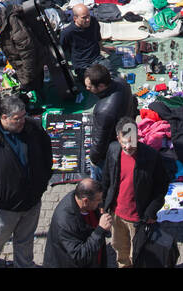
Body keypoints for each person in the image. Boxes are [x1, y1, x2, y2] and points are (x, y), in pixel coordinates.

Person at [0, 93, 54, 268]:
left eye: (23, 116)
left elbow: (47, 150)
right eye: (17, 119)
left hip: (31, 201)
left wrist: (43, 181)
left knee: (26, 238)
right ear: (4, 117)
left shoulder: (33, 128)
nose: (23, 121)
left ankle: (24, 264)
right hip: (4, 208)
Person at [101, 117, 169, 269]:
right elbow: (106, 179)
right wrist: (103, 203)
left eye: (131, 142)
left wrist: (151, 212)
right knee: (120, 251)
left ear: (137, 137)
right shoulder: (113, 150)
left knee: (139, 254)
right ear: (118, 138)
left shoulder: (151, 157)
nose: (127, 147)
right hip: (116, 215)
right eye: (123, 142)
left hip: (138, 219)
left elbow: (161, 186)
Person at [43, 177, 112, 269]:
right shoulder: (66, 221)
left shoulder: (82, 200)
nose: (100, 203)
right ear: (86, 201)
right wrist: (100, 230)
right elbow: (79, 256)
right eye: (98, 200)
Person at [84, 63, 136, 177]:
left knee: (99, 176)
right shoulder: (122, 83)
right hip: (126, 129)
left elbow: (100, 142)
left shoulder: (104, 111)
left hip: (113, 146)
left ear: (101, 86)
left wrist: (93, 159)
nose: (87, 88)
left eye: (89, 86)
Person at [60, 3, 103, 82]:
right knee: (91, 82)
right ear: (75, 18)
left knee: (108, 76)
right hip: (81, 64)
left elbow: (98, 36)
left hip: (96, 58)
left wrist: (102, 48)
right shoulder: (67, 33)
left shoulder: (93, 21)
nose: (88, 20)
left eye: (88, 16)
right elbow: (61, 51)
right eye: (84, 18)